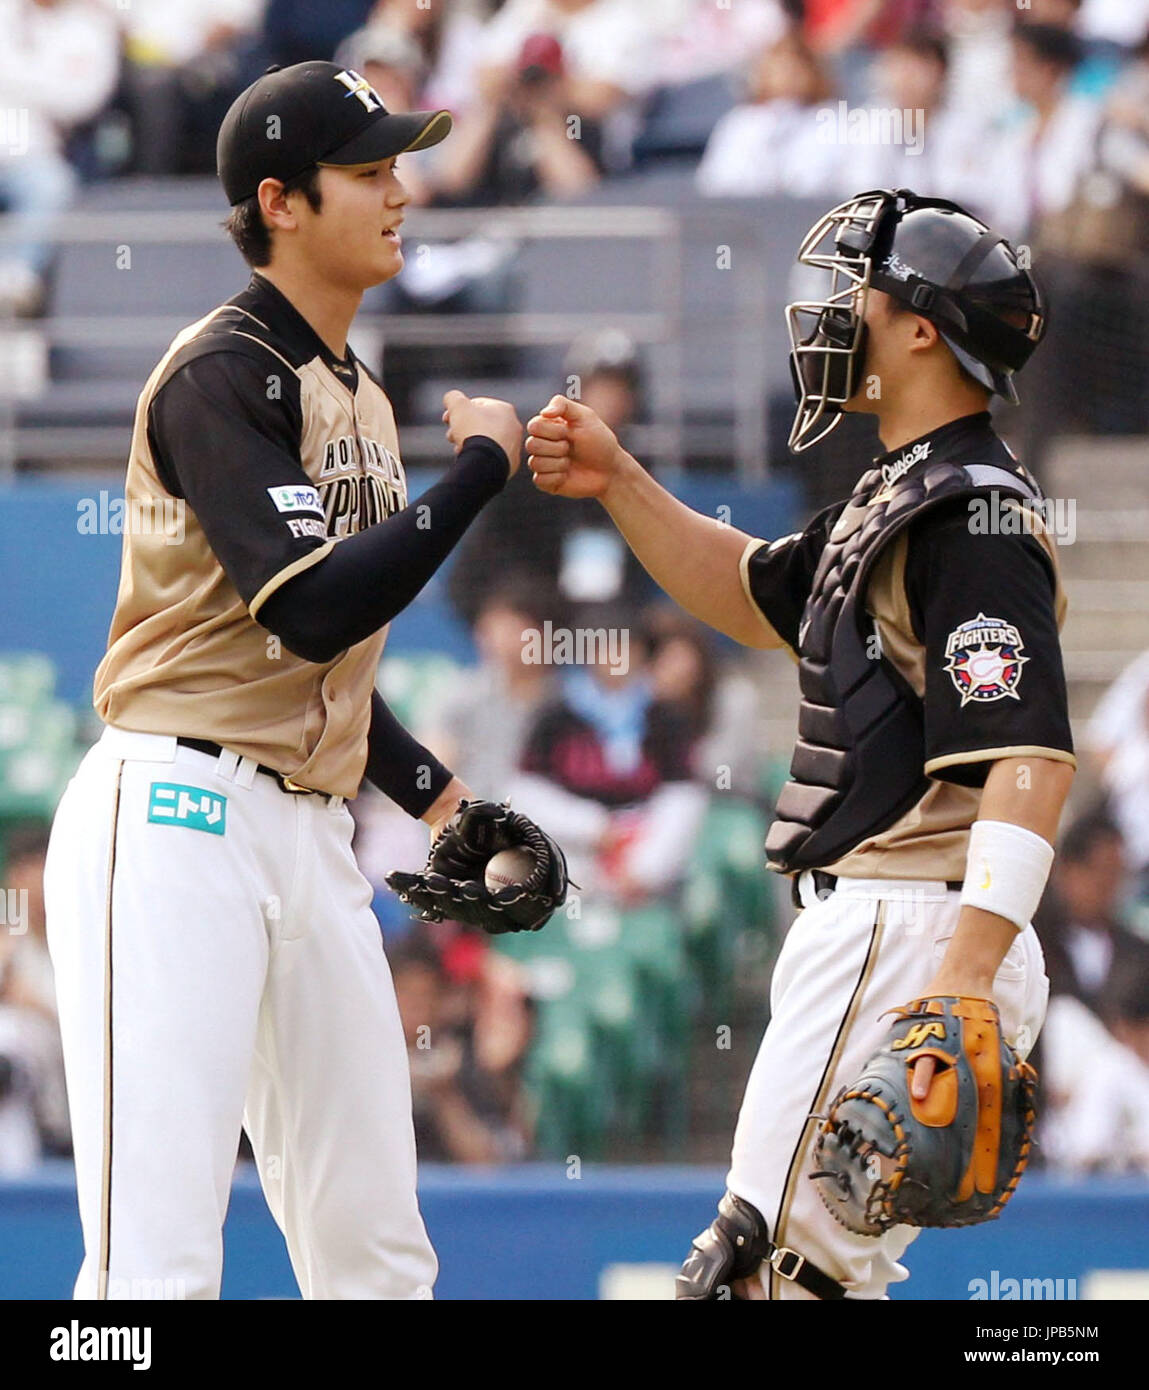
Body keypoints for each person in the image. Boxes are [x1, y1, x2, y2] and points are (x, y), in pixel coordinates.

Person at [42, 60, 559, 1302]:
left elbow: (321, 661)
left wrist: (442, 802)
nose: (401, 192)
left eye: (399, 166)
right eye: (369, 170)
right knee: (154, 1263)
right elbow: (312, 603)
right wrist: (480, 472)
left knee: (375, 1252)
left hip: (309, 832)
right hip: (175, 816)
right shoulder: (220, 372)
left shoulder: (358, 393)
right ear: (280, 200)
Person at [525, 187, 1075, 1299]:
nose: (833, 312)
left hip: (915, 927)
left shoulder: (970, 519)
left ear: (920, 329)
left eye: (858, 291)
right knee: (810, 1281)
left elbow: (1030, 760)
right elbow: (749, 592)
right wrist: (621, 481)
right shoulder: (902, 490)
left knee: (759, 1273)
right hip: (889, 929)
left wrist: (965, 978)